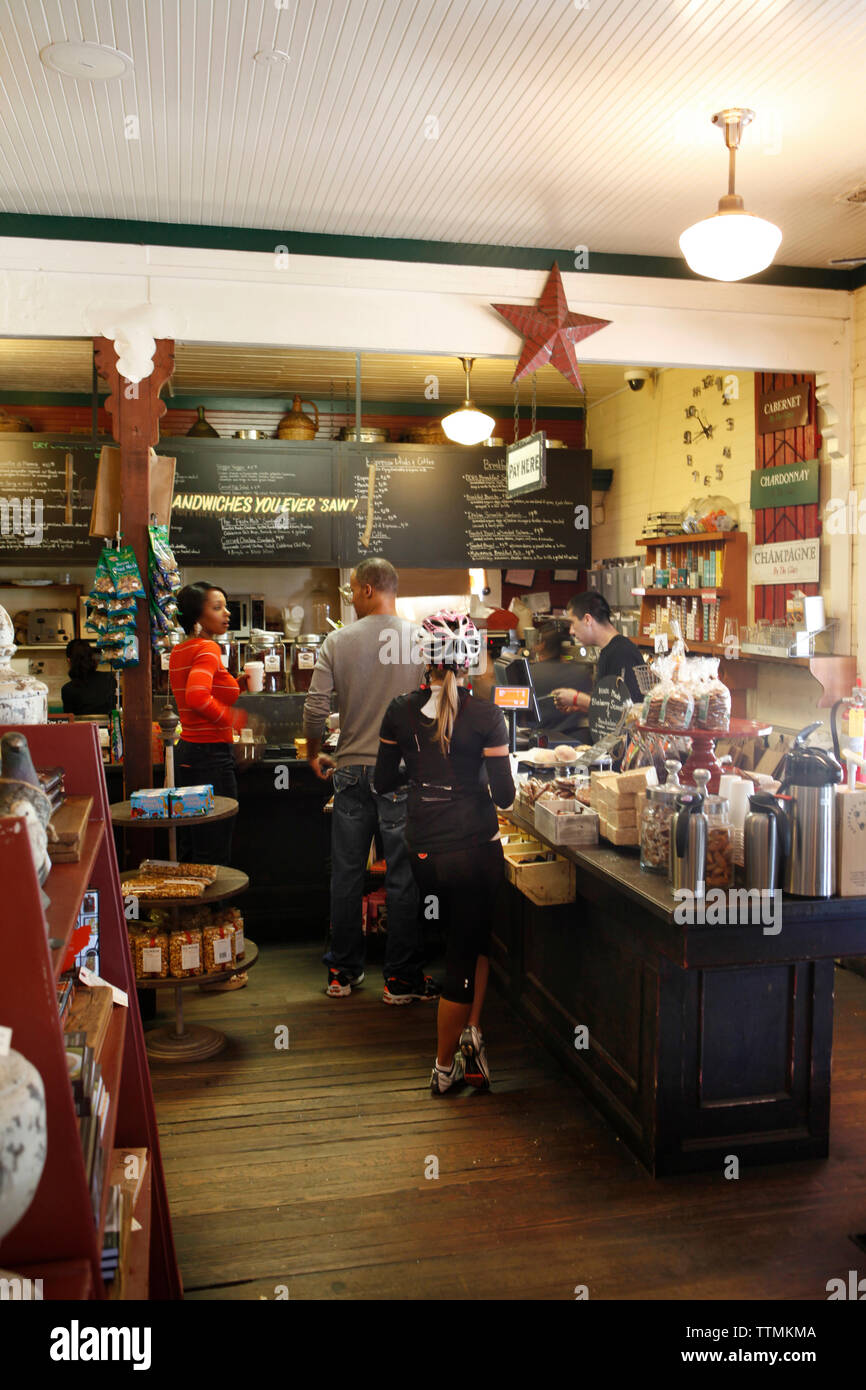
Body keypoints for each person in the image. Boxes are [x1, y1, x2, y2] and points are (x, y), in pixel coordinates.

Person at [374, 612, 515, 1096]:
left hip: (426, 852)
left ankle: (472, 1034)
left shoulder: (400, 710)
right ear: (471, 660)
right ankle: (441, 1067)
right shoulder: (488, 716)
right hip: (476, 850)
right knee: (464, 950)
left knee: (466, 939)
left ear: (425, 657)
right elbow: (506, 797)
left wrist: (422, 771)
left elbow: (383, 781)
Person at [303, 557, 435, 1004]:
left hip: (352, 771)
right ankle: (400, 981)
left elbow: (315, 708)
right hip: (401, 773)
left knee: (346, 874)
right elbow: (439, 704)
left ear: (364, 589)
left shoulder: (338, 641)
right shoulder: (423, 639)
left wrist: (311, 751)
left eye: (352, 592)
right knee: (402, 877)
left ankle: (342, 973)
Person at [170, 582, 246, 865]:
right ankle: (216, 910)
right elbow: (198, 696)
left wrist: (239, 685)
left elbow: (200, 692)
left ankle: (192, 909)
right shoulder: (208, 648)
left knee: (192, 845)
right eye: (217, 608)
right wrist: (233, 719)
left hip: (187, 753)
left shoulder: (181, 650)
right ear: (197, 617)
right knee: (214, 849)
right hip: (211, 758)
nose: (227, 613)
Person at [552, 591, 646, 735]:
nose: (570, 631)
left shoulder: (621, 653)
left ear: (588, 620)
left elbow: (628, 711)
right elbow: (607, 707)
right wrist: (579, 706)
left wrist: (578, 698)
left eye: (572, 623)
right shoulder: (609, 651)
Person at [529, 620, 592, 743]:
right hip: (577, 743)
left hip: (540, 743)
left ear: (542, 644)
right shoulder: (582, 672)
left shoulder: (531, 673)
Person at [61, 639, 115, 716]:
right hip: (110, 727)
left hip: (84, 728)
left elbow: (69, 721)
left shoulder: (67, 689)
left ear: (69, 661)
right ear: (92, 657)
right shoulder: (109, 678)